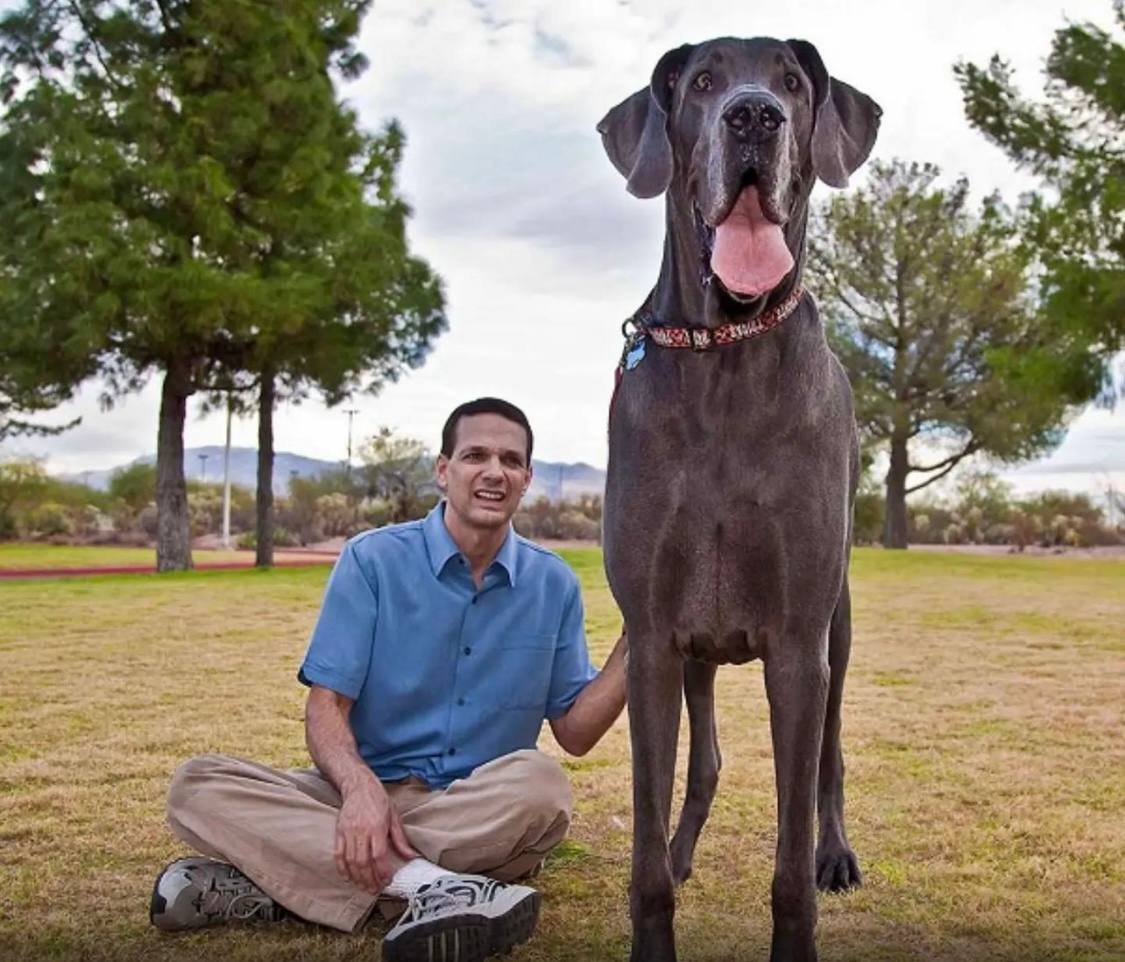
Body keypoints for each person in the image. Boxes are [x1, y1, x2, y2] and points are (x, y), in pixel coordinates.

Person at [150, 397, 628, 962]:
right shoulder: (371, 561)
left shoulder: (554, 584)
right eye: (475, 455)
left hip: (473, 808)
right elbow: (327, 705)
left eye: (510, 460)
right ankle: (433, 885)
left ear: (526, 480)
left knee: (542, 787)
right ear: (443, 470)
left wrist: (641, 639)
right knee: (197, 785)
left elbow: (575, 732)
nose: (493, 471)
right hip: (357, 794)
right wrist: (359, 792)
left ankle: (281, 881)